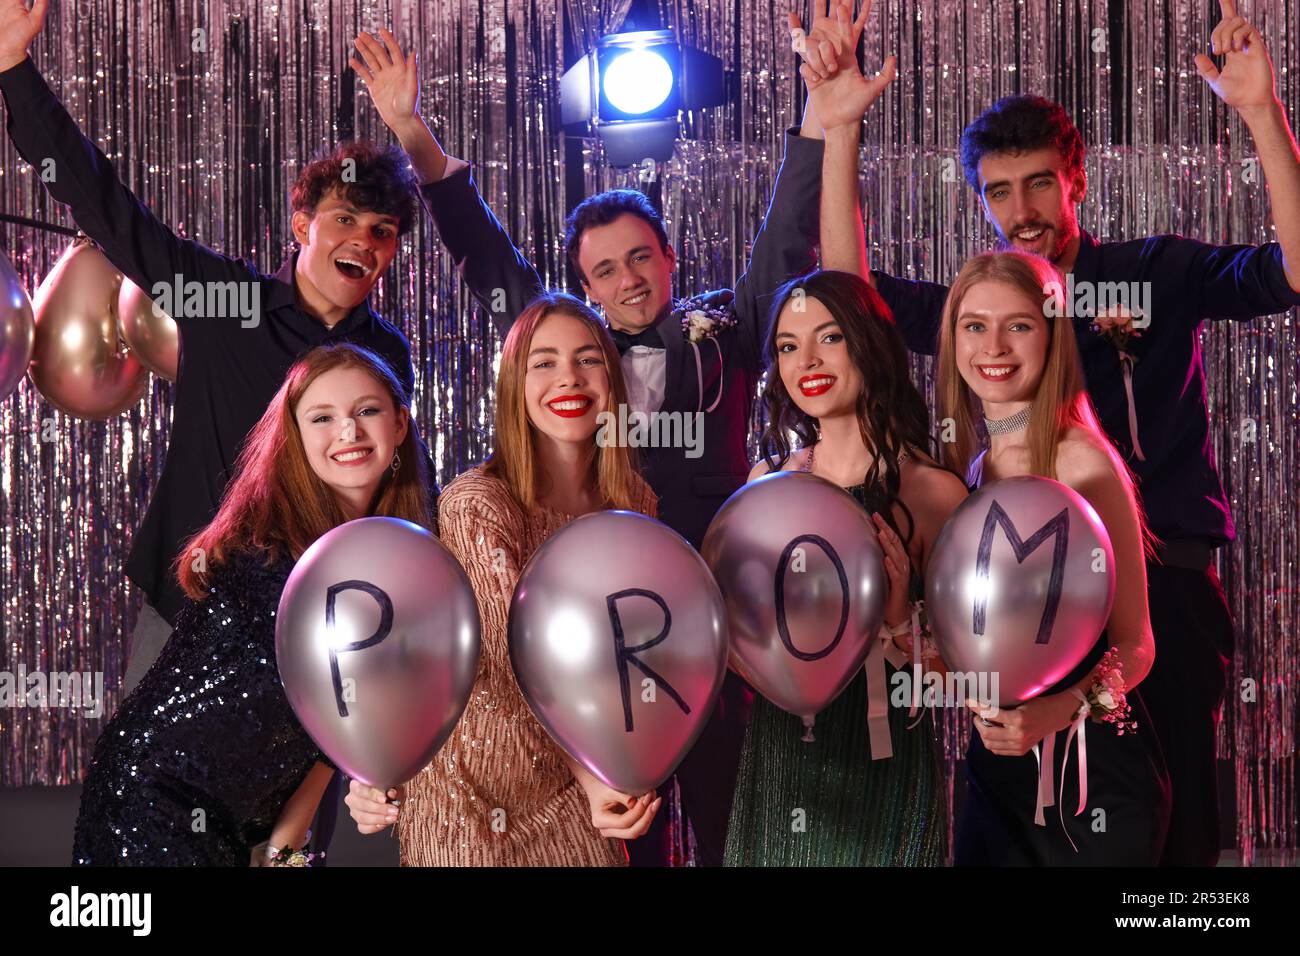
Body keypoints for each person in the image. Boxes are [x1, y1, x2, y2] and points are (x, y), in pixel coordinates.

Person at [345, 5, 845, 864]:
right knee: (625, 834)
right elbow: (484, 253)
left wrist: (820, 113)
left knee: (734, 831)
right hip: (602, 654)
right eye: (604, 270)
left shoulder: (723, 330)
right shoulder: (565, 358)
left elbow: (786, 238)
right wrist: (410, 131)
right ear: (585, 287)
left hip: (722, 639)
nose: (627, 279)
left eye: (640, 258)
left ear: (671, 258)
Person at [804, 0, 1300, 865]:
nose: (1022, 208)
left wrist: (1262, 112)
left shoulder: (1152, 273)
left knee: (1163, 843)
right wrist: (838, 130)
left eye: (1039, 182)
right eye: (1000, 190)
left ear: (1075, 178)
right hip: (1021, 608)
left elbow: (1294, 271)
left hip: (1161, 597)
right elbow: (849, 300)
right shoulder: (983, 304)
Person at [0, 1, 445, 699]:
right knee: (143, 793)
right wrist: (14, 70)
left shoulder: (385, 357)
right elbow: (108, 210)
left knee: (291, 807)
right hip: (190, 605)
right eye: (346, 219)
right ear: (303, 225)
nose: (364, 239)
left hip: (319, 625)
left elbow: (394, 496)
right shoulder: (226, 304)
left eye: (384, 230)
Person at [724, 10, 967, 865]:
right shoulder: (769, 488)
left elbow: (977, 675)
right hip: (780, 768)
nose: (805, 360)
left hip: (885, 769)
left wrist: (903, 631)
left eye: (828, 337)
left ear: (865, 341)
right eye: (787, 346)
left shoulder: (931, 491)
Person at [72, 343, 431, 865]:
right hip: (153, 796)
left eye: (367, 411)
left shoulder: (398, 554)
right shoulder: (266, 551)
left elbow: (331, 731)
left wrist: (288, 842)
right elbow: (334, 703)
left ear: (399, 424)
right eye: (323, 417)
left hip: (244, 821)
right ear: (296, 438)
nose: (349, 432)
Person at [344, 294, 662, 866]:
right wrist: (594, 777)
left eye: (587, 359)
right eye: (543, 362)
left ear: (612, 380)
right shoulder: (478, 503)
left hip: (576, 791)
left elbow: (645, 655)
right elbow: (520, 658)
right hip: (467, 797)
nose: (568, 377)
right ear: (516, 386)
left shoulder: (635, 505)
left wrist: (618, 770)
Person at [937, 250, 1171, 865]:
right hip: (998, 775)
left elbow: (1138, 643)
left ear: (1051, 337)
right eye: (974, 325)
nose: (994, 346)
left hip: (1091, 775)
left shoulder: (1082, 462)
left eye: (1017, 325)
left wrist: (1057, 711)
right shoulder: (971, 465)